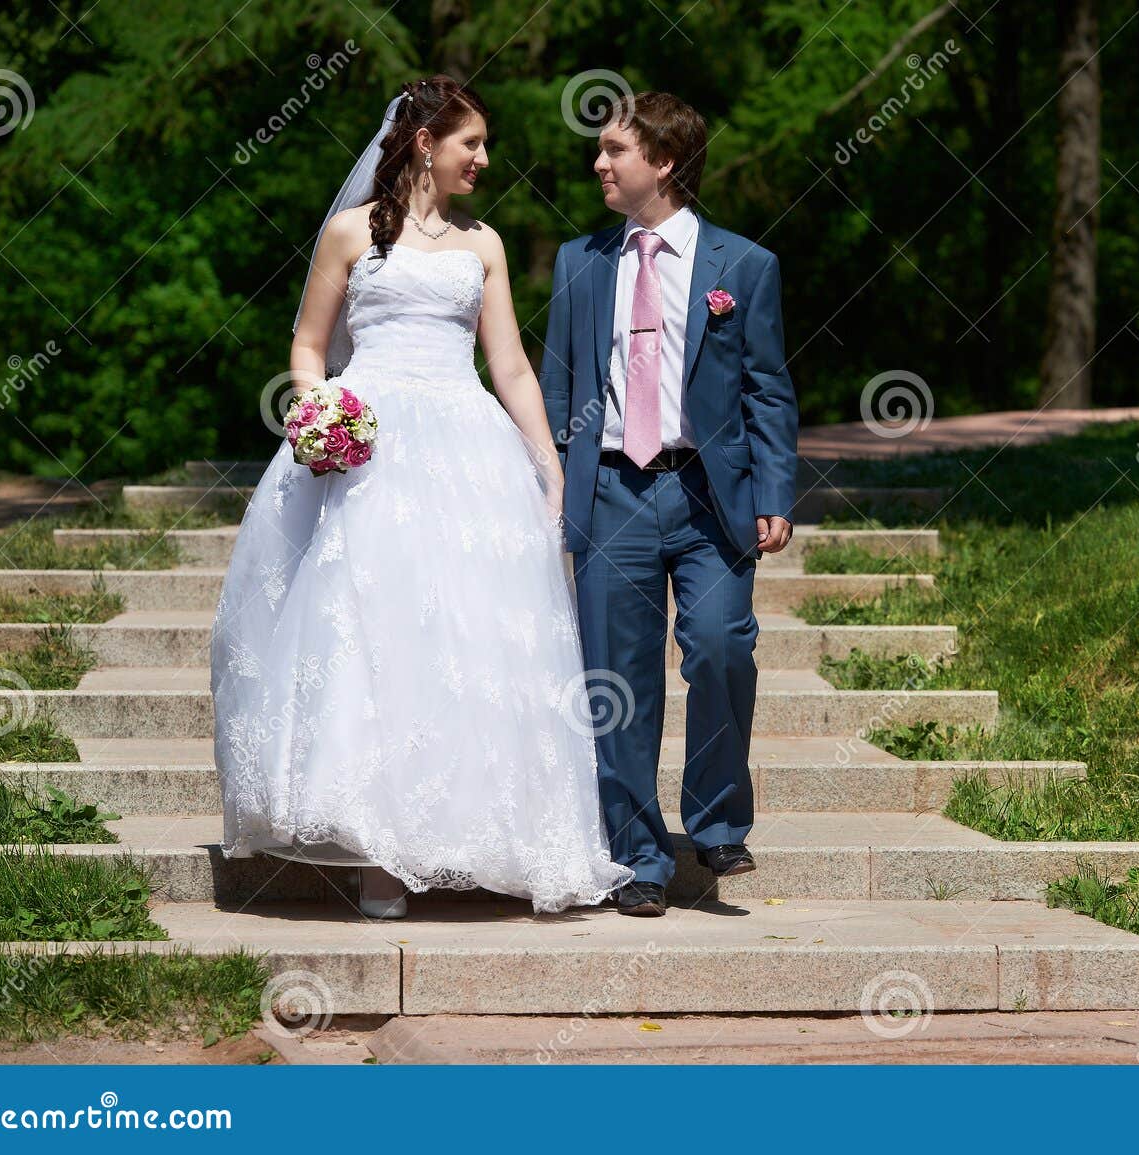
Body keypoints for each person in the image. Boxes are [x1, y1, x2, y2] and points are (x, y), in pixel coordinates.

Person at [210, 76, 634, 919]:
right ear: (421, 144)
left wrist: (544, 457)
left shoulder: (485, 245)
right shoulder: (345, 234)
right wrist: (320, 407)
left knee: (469, 636)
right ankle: (380, 849)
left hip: (465, 443)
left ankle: (472, 833)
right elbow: (307, 344)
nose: (483, 159)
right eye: (470, 143)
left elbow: (508, 363)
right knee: (375, 631)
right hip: (367, 445)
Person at [541, 91, 799, 917]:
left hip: (707, 494)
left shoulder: (744, 266)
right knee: (618, 676)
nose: (600, 163)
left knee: (723, 647)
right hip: (611, 486)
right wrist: (547, 482)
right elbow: (559, 386)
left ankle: (719, 821)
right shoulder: (580, 261)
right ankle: (638, 855)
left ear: (664, 163)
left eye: (615, 149)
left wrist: (774, 490)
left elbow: (767, 388)